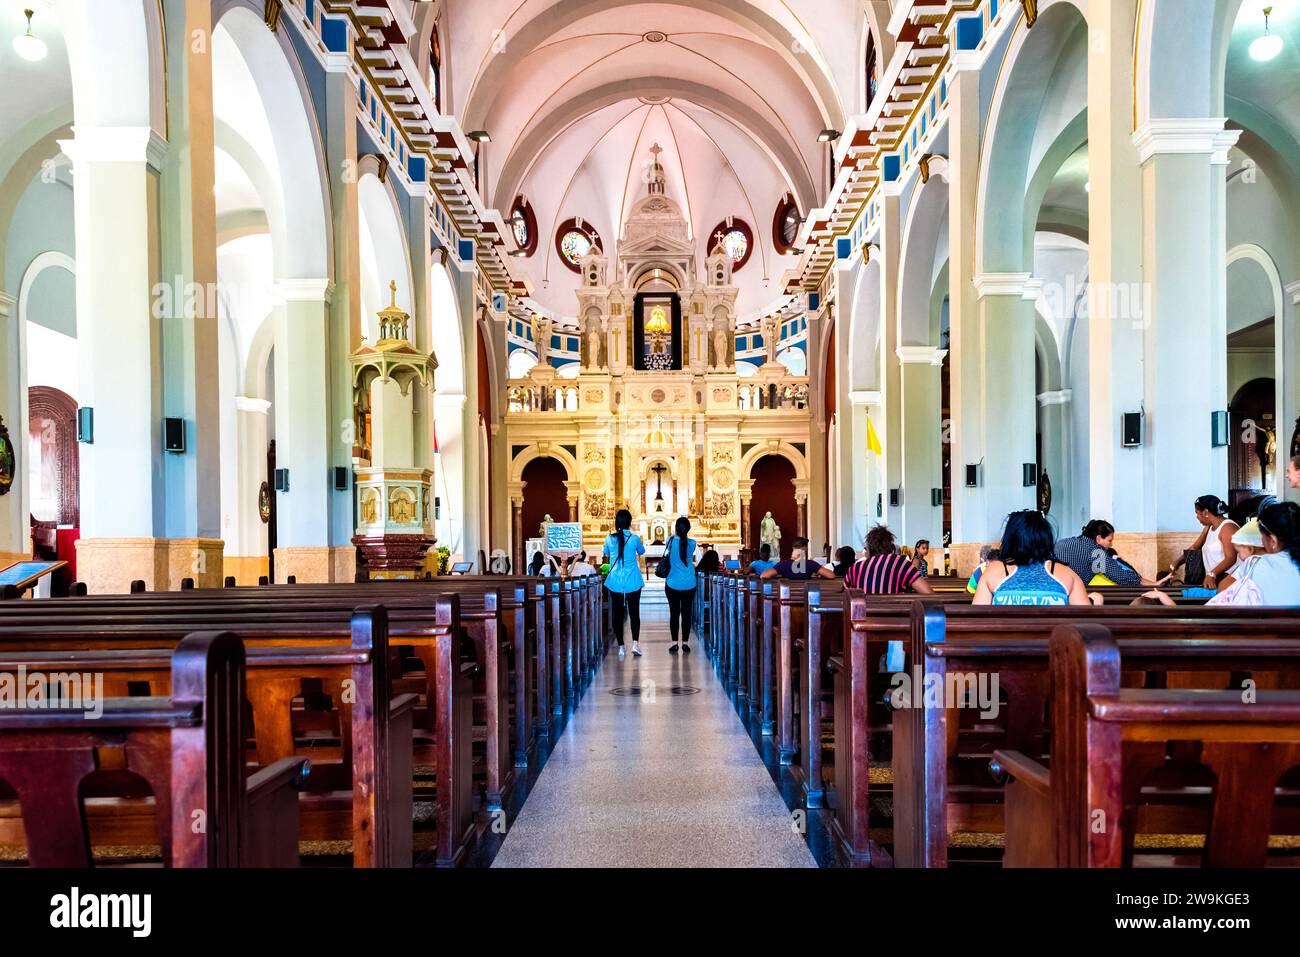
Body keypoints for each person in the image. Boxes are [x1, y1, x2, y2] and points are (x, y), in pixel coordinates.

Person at [1145, 502, 1300, 607]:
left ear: (1272, 540)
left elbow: (1223, 598)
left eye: (1262, 537)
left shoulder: (1258, 564)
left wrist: (1170, 604)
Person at [973, 510, 1091, 606]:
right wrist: (1095, 602)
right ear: (1046, 537)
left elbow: (976, 621)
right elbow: (1085, 624)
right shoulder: (1067, 574)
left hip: (1005, 636)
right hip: (1053, 635)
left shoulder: (993, 572)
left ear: (1011, 538)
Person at [1054, 520, 1170, 587]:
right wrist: (1152, 584)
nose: (1111, 544)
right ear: (1098, 538)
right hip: (1075, 594)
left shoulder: (1062, 542)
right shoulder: (1095, 550)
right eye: (1109, 540)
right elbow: (1118, 575)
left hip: (1055, 589)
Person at [602, 509, 646, 657]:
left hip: (615, 580)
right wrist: (632, 533)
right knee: (634, 613)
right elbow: (642, 551)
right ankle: (635, 644)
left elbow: (607, 554)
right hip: (632, 579)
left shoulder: (609, 538)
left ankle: (621, 646)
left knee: (617, 614)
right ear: (629, 522)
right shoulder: (634, 539)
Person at [1170, 495, 1239, 588]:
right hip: (1216, 580)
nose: (1197, 517)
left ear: (1206, 512)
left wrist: (1212, 574)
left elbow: (1231, 558)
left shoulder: (1228, 528)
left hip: (1228, 581)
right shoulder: (1209, 527)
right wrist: (1177, 562)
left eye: (1197, 513)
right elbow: (1194, 548)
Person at [845, 526, 935, 594]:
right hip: (894, 616)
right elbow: (928, 593)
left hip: (862, 617)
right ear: (892, 548)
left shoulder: (854, 569)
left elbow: (845, 597)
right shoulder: (901, 563)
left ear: (868, 549)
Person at [664, 516, 698, 655]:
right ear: (688, 529)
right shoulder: (693, 543)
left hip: (672, 582)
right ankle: (685, 643)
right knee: (686, 613)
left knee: (674, 613)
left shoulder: (670, 541)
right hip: (689, 583)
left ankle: (674, 643)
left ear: (676, 528)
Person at [760, 537, 835, 580]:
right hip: (806, 598)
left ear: (793, 548)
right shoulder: (811, 564)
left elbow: (764, 575)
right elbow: (831, 575)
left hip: (787, 598)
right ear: (805, 549)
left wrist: (777, 576)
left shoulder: (783, 564)